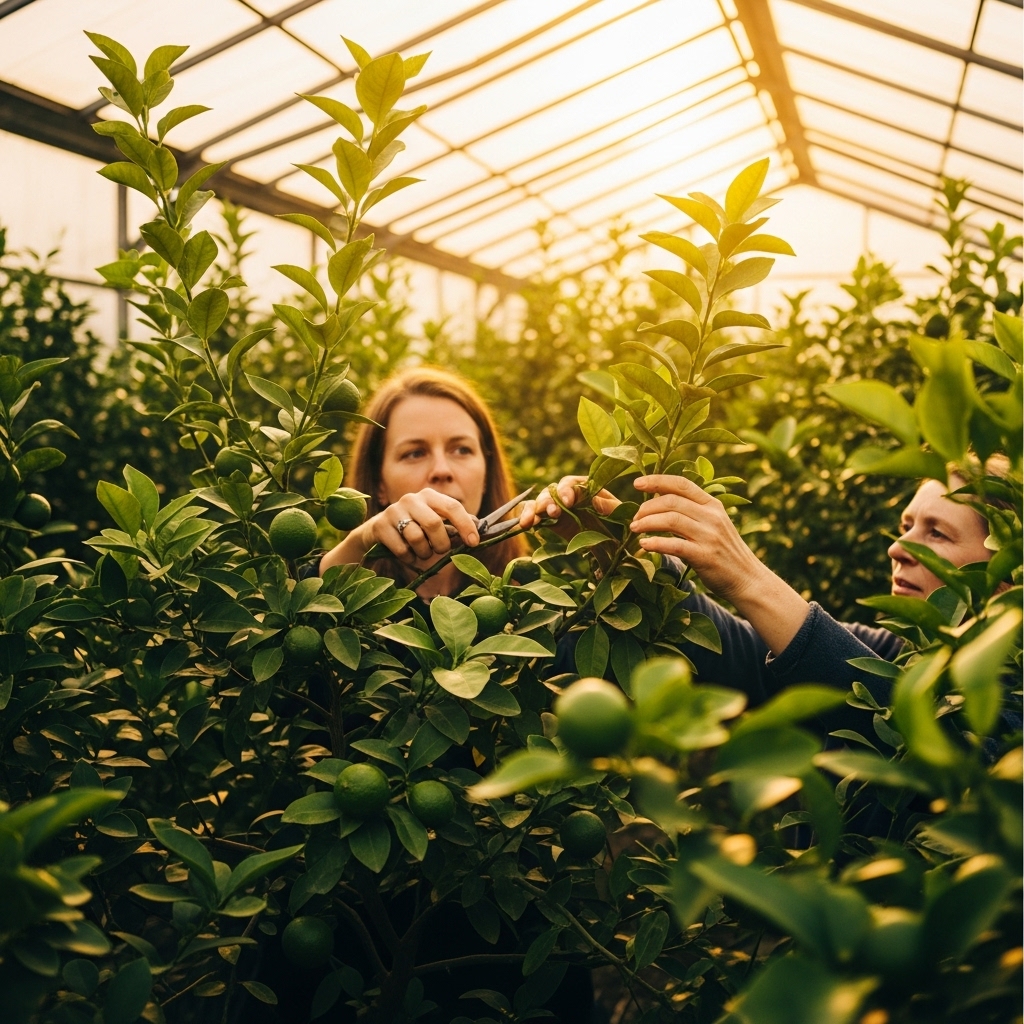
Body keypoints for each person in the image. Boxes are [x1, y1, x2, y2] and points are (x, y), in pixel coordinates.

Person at [536, 466, 1003, 711]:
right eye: (905, 525)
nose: (898, 549)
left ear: (1007, 572)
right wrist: (630, 557)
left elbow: (918, 734)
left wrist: (746, 574)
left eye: (936, 533)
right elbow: (740, 650)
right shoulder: (893, 655)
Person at [318, 366, 546, 597]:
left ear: (487, 474)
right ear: (379, 484)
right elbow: (308, 600)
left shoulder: (529, 599)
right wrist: (358, 545)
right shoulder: (350, 602)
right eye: (415, 453)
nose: (442, 470)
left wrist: (580, 536)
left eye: (461, 449)